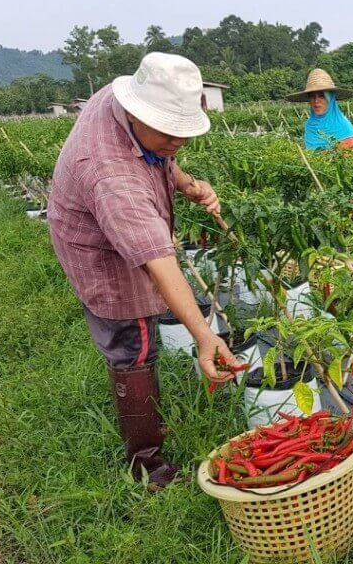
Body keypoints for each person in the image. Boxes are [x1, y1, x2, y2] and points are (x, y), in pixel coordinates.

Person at [48, 52, 242, 490]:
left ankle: (147, 429)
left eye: (184, 132)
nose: (179, 142)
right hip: (97, 249)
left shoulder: (125, 105)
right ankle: (148, 464)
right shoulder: (112, 176)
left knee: (138, 337)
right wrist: (204, 335)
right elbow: (160, 262)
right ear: (137, 114)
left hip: (103, 217)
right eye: (170, 132)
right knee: (131, 344)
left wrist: (189, 185)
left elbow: (161, 156)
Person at [286, 68, 353, 151]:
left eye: (322, 96)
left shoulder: (344, 127)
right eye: (312, 96)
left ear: (330, 99)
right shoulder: (310, 125)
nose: (316, 101)